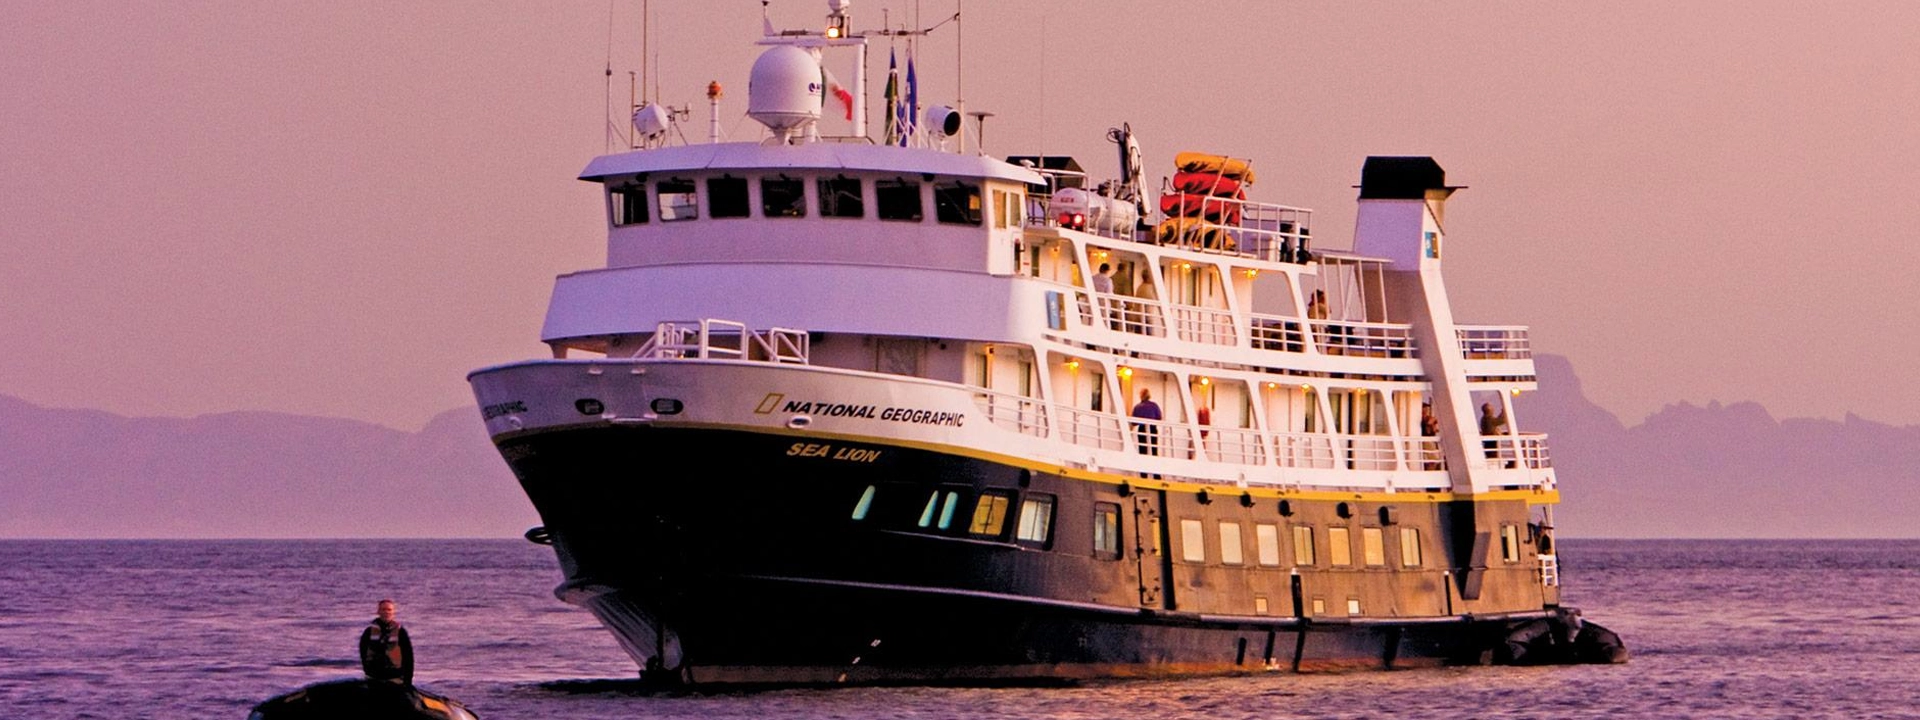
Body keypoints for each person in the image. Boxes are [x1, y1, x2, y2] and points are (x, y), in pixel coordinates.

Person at [359, 599, 414, 685]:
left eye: (389, 610)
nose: (386, 612)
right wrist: (367, 669)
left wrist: (408, 680)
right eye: (383, 609)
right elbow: (363, 652)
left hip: (395, 678)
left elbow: (408, 657)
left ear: (393, 612)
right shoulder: (369, 632)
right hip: (373, 678)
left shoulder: (400, 632)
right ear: (378, 611)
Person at [1131, 388, 1162, 458]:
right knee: (1153, 449)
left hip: (1142, 429)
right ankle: (1153, 466)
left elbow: (1133, 422)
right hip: (1152, 428)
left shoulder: (1137, 407)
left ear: (1141, 396)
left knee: (1143, 450)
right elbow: (1159, 417)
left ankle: (1143, 467)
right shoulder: (1154, 405)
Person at [1479, 402, 1510, 467]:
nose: (1493, 410)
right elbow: (1502, 421)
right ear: (1490, 411)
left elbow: (1497, 420)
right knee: (1493, 457)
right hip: (1491, 442)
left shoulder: (1484, 419)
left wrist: (1502, 413)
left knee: (1491, 456)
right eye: (1492, 409)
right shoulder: (1489, 419)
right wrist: (1504, 412)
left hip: (1487, 442)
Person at [1090, 263, 1116, 328]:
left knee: (1092, 320)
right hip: (1104, 304)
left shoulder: (1093, 278)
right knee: (1105, 323)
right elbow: (1109, 293)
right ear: (1107, 270)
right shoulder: (1108, 280)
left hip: (1093, 302)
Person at [1420, 401, 1441, 470]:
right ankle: (1431, 471)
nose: (1426, 411)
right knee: (1434, 459)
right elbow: (1429, 422)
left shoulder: (1427, 418)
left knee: (1435, 459)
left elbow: (1435, 429)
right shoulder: (1424, 419)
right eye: (1425, 409)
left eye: (1427, 409)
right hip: (1426, 441)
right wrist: (1437, 418)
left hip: (1431, 440)